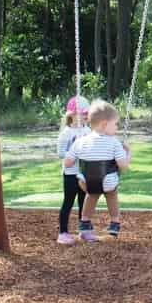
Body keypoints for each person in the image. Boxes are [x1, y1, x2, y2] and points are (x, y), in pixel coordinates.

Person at [66, 99, 131, 242]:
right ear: (104, 124)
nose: (117, 127)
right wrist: (128, 152)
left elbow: (68, 163)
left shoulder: (80, 141)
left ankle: (84, 225)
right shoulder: (114, 143)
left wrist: (76, 151)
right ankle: (114, 224)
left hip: (86, 182)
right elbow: (123, 166)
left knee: (91, 194)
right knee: (112, 193)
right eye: (115, 124)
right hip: (108, 182)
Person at [56, 95, 91, 245]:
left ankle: (84, 230)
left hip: (84, 173)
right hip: (70, 173)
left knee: (84, 203)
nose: (85, 116)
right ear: (72, 115)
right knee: (68, 202)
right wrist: (74, 152)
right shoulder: (67, 133)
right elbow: (60, 153)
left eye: (86, 114)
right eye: (82, 113)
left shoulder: (88, 130)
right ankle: (63, 233)